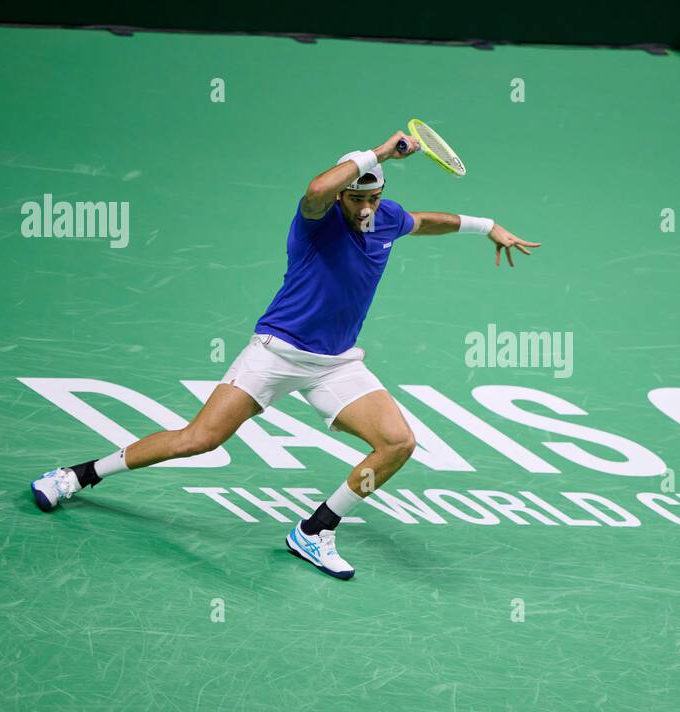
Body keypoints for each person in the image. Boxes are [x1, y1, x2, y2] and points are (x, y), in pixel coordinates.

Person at [31, 129, 540, 580]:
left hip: (337, 364)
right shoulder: (317, 219)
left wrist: (485, 224)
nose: (365, 209)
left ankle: (315, 530)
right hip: (276, 352)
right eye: (357, 198)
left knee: (398, 443)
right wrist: (381, 151)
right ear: (344, 192)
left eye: (374, 197)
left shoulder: (385, 218)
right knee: (198, 439)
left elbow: (426, 221)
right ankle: (79, 475)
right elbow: (316, 189)